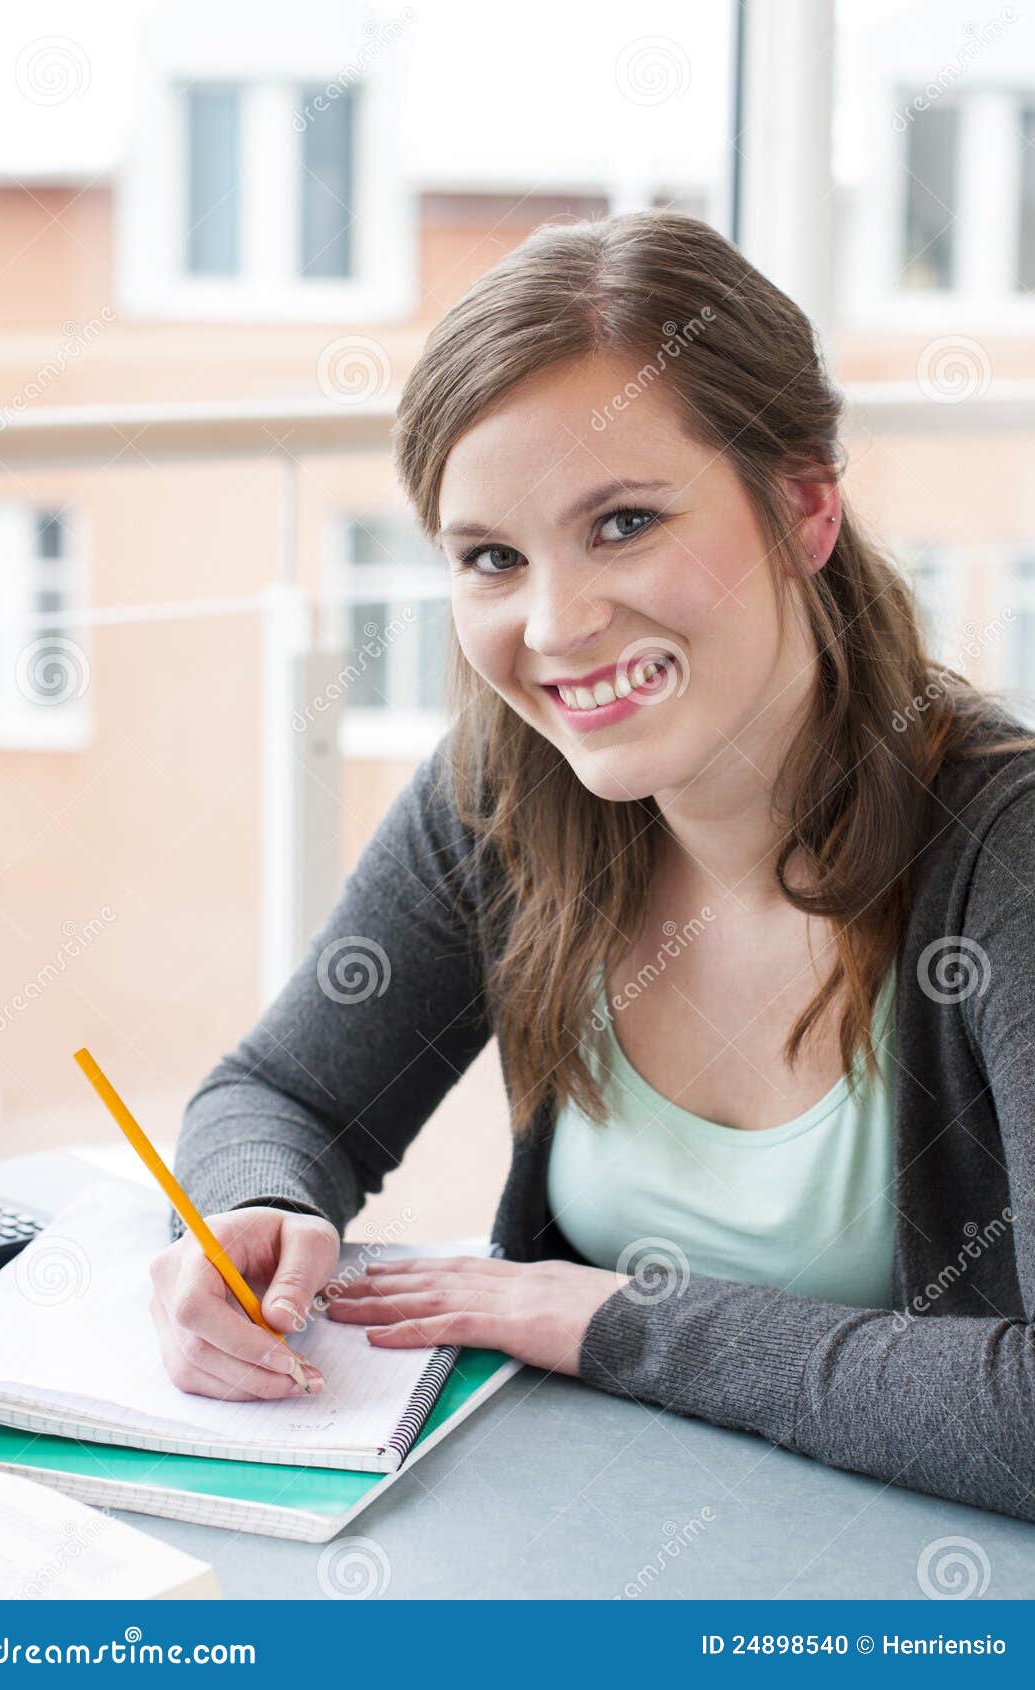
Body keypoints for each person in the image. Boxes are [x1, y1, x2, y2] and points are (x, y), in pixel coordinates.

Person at [150, 211, 1035, 1522]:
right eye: (492, 558)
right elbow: (286, 1092)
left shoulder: (1001, 854)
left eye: (622, 522)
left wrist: (617, 1320)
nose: (555, 626)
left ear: (804, 506)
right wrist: (252, 1210)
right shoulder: (505, 797)